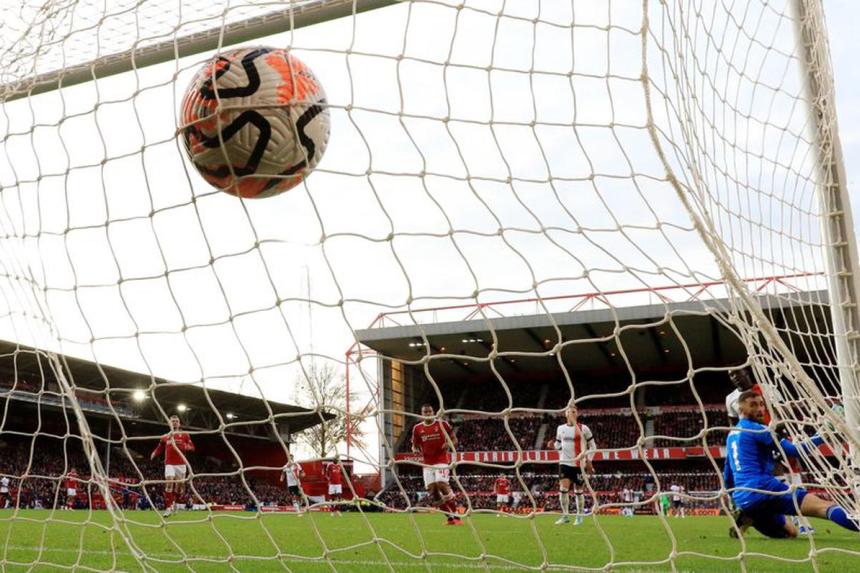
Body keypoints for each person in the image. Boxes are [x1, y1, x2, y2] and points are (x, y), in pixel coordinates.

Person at [724, 390, 858, 538]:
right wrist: (824, 433)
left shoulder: (731, 435)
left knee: (791, 533)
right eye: (753, 405)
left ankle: (748, 517)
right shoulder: (759, 429)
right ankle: (749, 516)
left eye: (762, 404)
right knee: (824, 507)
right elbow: (795, 451)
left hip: (744, 499)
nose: (760, 409)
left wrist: (736, 500)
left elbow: (728, 476)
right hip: (765, 489)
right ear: (741, 410)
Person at [547, 400, 595, 525]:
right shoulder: (560, 428)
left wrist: (589, 460)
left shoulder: (584, 428)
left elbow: (593, 446)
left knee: (578, 491)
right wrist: (553, 446)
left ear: (577, 414)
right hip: (564, 462)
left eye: (575, 411)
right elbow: (559, 445)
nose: (572, 413)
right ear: (566, 414)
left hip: (579, 464)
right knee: (563, 489)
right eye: (570, 411)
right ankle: (565, 516)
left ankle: (579, 516)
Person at [412, 403, 461, 525]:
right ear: (422, 414)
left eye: (430, 411)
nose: (428, 414)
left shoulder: (442, 424)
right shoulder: (417, 428)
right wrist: (415, 449)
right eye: (425, 412)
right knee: (433, 492)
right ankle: (450, 518)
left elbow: (454, 439)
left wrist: (449, 444)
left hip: (441, 460)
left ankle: (457, 515)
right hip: (427, 464)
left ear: (433, 412)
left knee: (441, 484)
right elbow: (414, 445)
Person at [150, 414, 195, 517]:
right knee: (169, 482)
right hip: (169, 463)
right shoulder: (165, 437)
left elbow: (192, 447)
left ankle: (174, 502)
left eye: (176, 421)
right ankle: (168, 507)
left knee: (179, 489)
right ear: (169, 423)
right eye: (172, 421)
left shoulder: (185, 434)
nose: (174, 422)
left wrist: (184, 446)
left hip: (181, 464)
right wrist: (154, 453)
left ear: (179, 423)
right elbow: (160, 448)